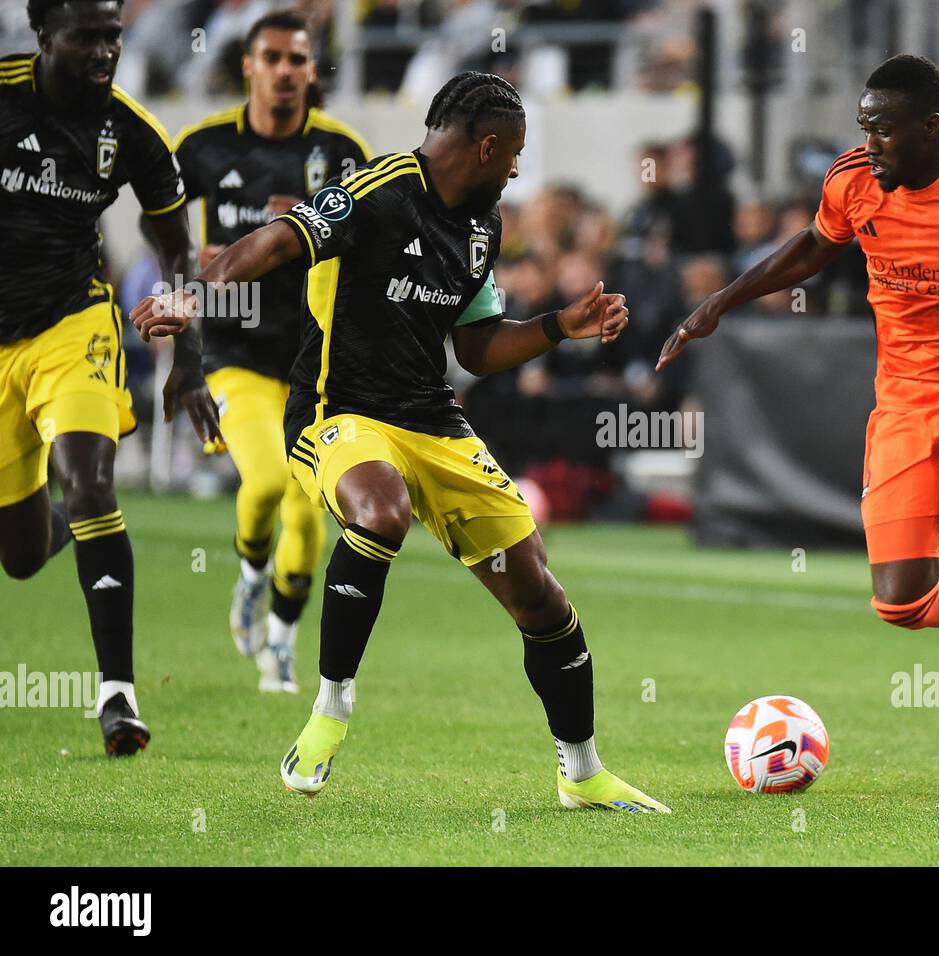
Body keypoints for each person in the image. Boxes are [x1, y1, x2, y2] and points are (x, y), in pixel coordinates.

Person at [132, 71, 669, 813]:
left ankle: (580, 772)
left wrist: (556, 327)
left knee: (539, 593)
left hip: (433, 420)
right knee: (378, 511)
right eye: (512, 154)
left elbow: (476, 348)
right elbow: (271, 241)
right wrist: (193, 292)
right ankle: (329, 710)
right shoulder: (373, 191)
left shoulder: (484, 224)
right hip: (336, 411)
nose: (516, 168)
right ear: (485, 145)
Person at [658, 54, 939, 802]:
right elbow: (814, 246)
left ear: (932, 129)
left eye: (883, 131)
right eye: (864, 128)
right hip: (901, 404)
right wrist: (721, 304)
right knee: (901, 601)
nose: (869, 144)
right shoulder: (852, 179)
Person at [0, 0, 220, 755]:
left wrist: (188, 359)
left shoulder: (130, 131)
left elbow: (179, 251)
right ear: (43, 37)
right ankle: (55, 531)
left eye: (113, 37)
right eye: (86, 38)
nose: (104, 53)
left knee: (91, 482)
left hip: (74, 324)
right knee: (22, 557)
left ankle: (118, 698)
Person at [174, 9, 371, 692]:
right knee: (264, 486)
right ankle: (251, 574)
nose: (287, 70)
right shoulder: (203, 147)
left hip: (313, 369)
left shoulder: (344, 154)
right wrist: (188, 259)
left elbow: (370, 240)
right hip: (235, 355)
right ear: (249, 66)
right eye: (274, 58)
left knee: (308, 513)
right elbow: (158, 214)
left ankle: (281, 640)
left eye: (299, 59)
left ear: (312, 71)